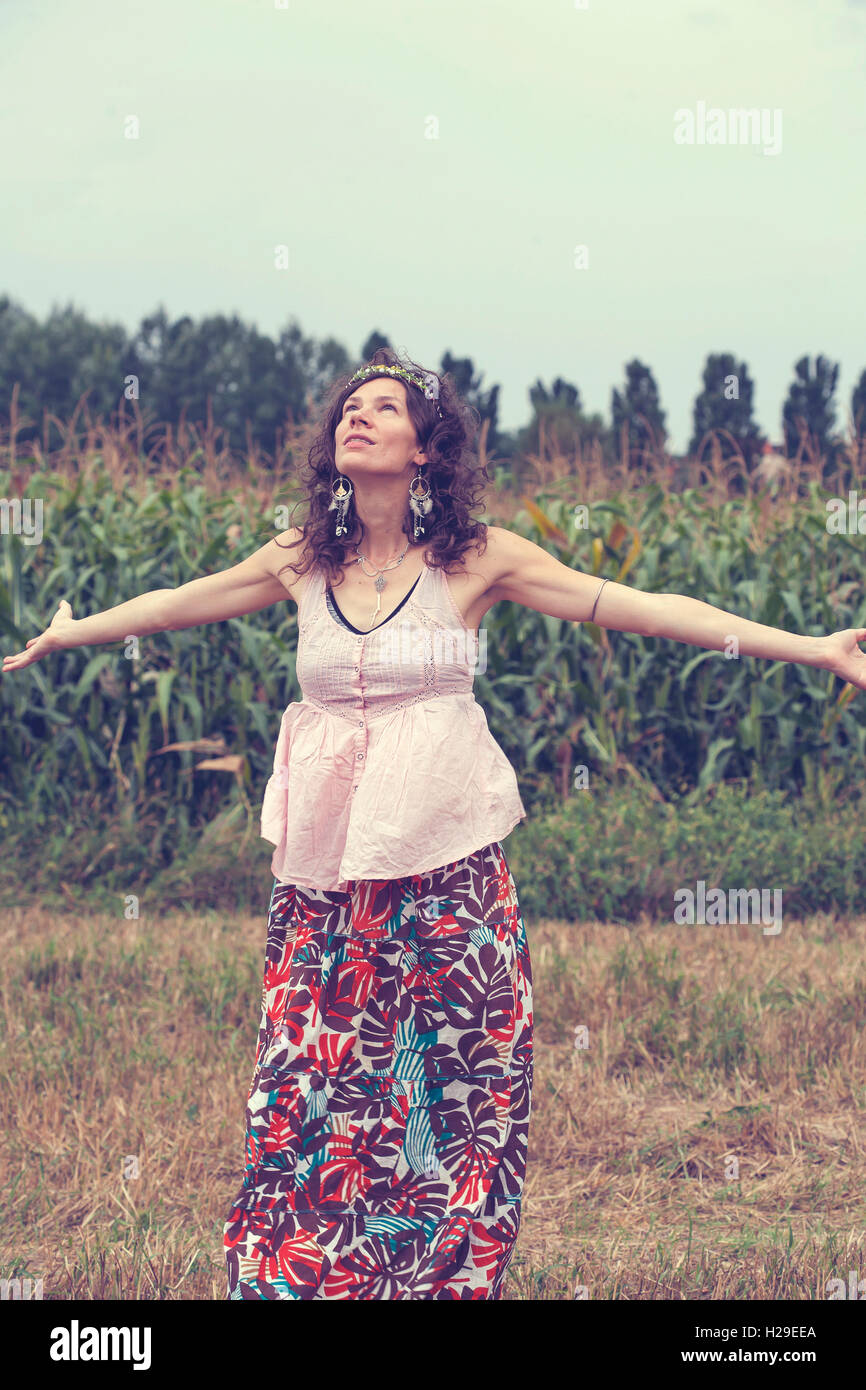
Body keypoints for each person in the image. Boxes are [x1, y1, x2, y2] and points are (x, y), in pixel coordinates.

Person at [4, 348, 866, 1302]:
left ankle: (439, 1277)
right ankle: (308, 1276)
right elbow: (175, 605)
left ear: (425, 449)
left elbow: (642, 609)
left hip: (447, 881)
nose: (357, 416)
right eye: (349, 406)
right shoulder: (301, 558)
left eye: (383, 407)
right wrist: (69, 632)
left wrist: (813, 648)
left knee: (455, 1086)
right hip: (328, 891)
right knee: (311, 1081)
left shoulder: (476, 559)